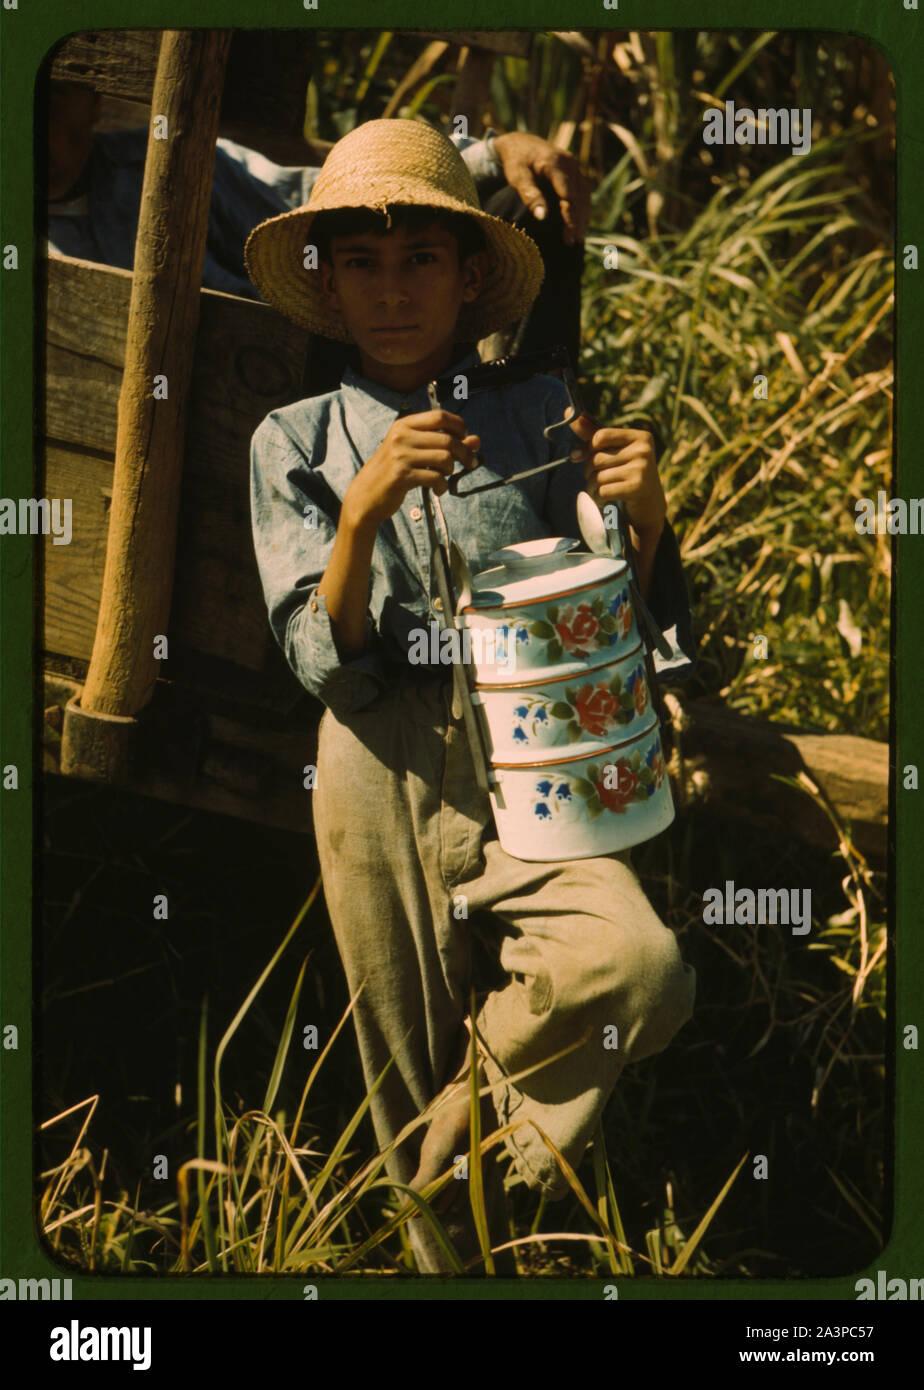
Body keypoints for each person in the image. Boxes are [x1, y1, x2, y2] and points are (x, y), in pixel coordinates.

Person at [246, 118, 697, 1274]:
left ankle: (477, 1096)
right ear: (330, 288)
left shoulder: (536, 410)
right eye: (362, 265)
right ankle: (448, 1253)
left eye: (421, 261)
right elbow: (323, 658)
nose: (393, 292)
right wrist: (362, 511)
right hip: (375, 758)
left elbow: (613, 625)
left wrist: (645, 521)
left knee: (638, 968)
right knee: (397, 1077)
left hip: (532, 746)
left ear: (467, 279)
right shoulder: (295, 438)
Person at [45, 79, 588, 365]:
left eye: (53, 96)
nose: (31, 122)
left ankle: (536, 432)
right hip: (218, 402)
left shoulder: (167, 162)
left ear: (93, 102)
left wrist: (494, 154)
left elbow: (326, 198)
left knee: (529, 204)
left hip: (312, 356)